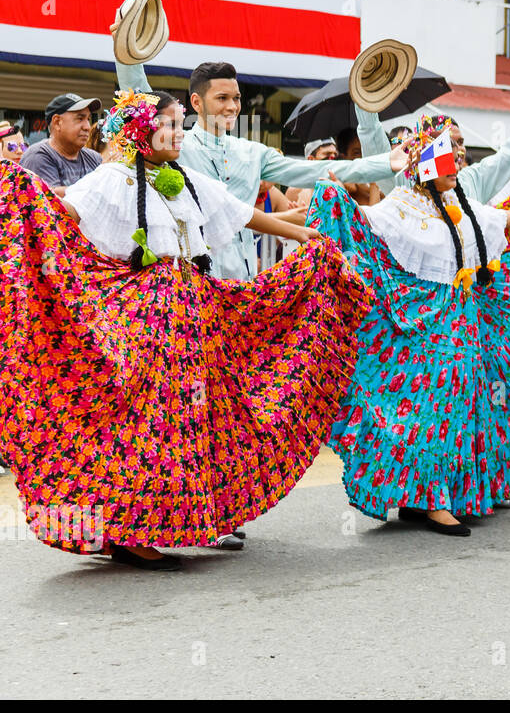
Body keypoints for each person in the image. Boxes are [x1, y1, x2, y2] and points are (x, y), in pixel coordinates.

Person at [0, 89, 369, 570]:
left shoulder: (183, 178)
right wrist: (22, 196)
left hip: (193, 314)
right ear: (139, 134)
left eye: (178, 124)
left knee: (195, 424)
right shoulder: (112, 179)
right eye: (170, 126)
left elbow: (237, 214)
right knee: (149, 429)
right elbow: (64, 212)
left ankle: (183, 518)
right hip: (143, 321)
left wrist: (301, 234)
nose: (179, 134)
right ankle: (131, 531)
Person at [308, 105, 510, 536]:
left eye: (458, 152)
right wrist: (329, 199)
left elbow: (495, 220)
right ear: (424, 162)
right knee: (433, 413)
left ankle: (465, 491)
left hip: (467, 321)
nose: (458, 160)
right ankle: (431, 500)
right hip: (425, 328)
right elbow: (362, 227)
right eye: (448, 153)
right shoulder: (401, 204)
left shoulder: (459, 200)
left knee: (468, 411)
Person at [115, 56, 405, 282]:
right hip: (192, 280)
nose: (232, 107)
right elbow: (142, 107)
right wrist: (129, 56)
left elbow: (312, 171)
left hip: (244, 280)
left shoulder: (252, 152)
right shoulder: (179, 146)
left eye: (236, 98)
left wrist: (385, 163)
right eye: (222, 98)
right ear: (196, 102)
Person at [19, 93, 103, 194]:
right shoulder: (37, 156)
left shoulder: (94, 158)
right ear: (57, 122)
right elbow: (53, 200)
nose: (87, 127)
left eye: (88, 119)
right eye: (80, 119)